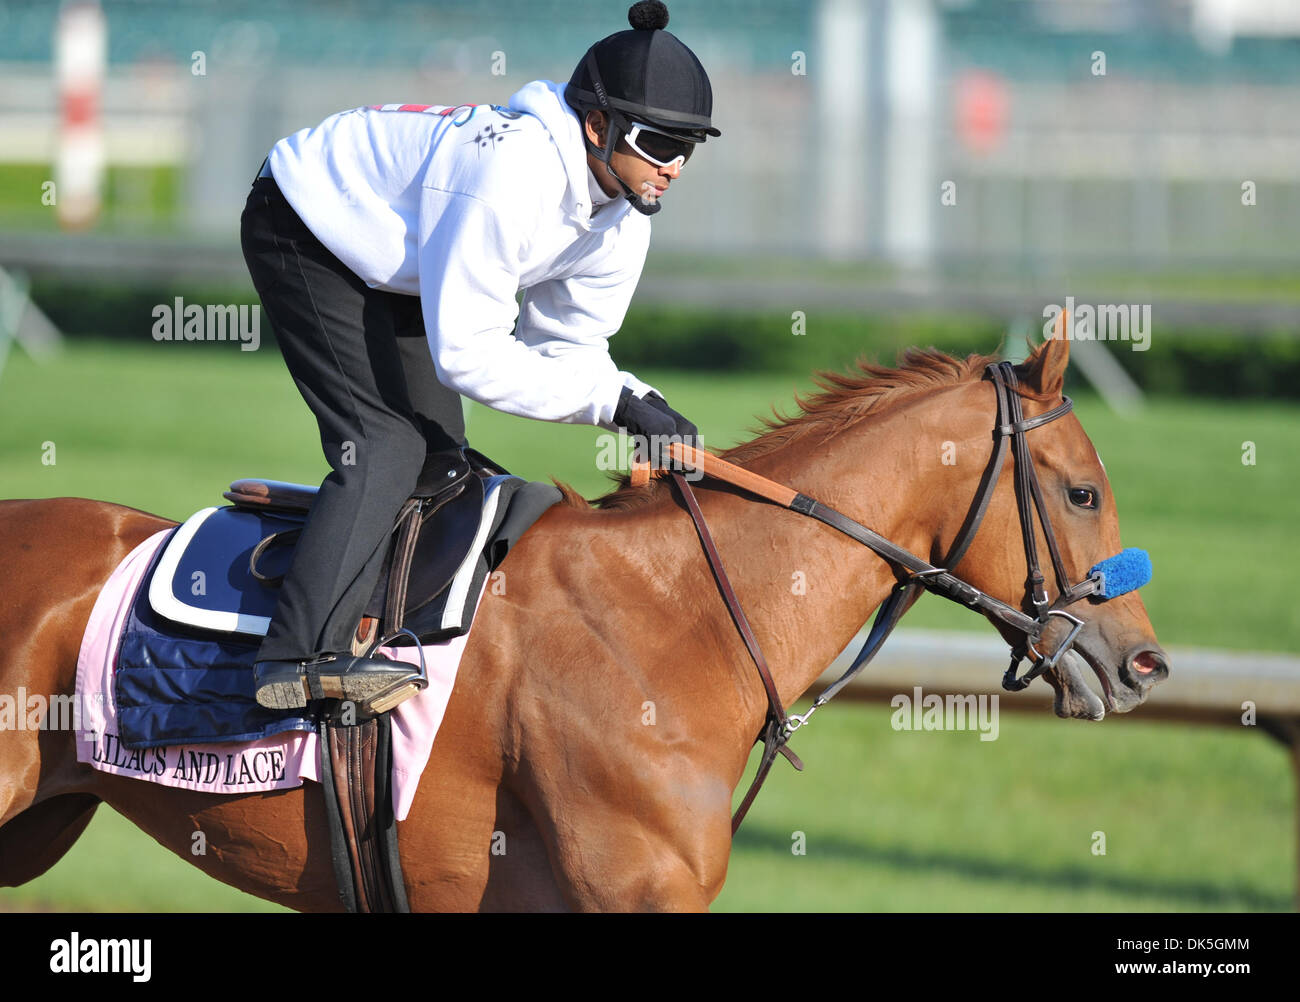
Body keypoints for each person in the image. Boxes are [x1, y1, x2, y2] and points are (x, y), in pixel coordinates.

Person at [242, 0, 718, 714]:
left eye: (688, 148)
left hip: (401, 260)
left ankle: (375, 616)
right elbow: (466, 356)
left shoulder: (623, 216)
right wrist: (609, 404)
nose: (673, 169)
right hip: (307, 222)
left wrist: (634, 399)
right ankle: (296, 658)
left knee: (443, 465)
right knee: (383, 448)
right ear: (598, 125)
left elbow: (569, 348)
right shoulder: (512, 172)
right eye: (658, 143)